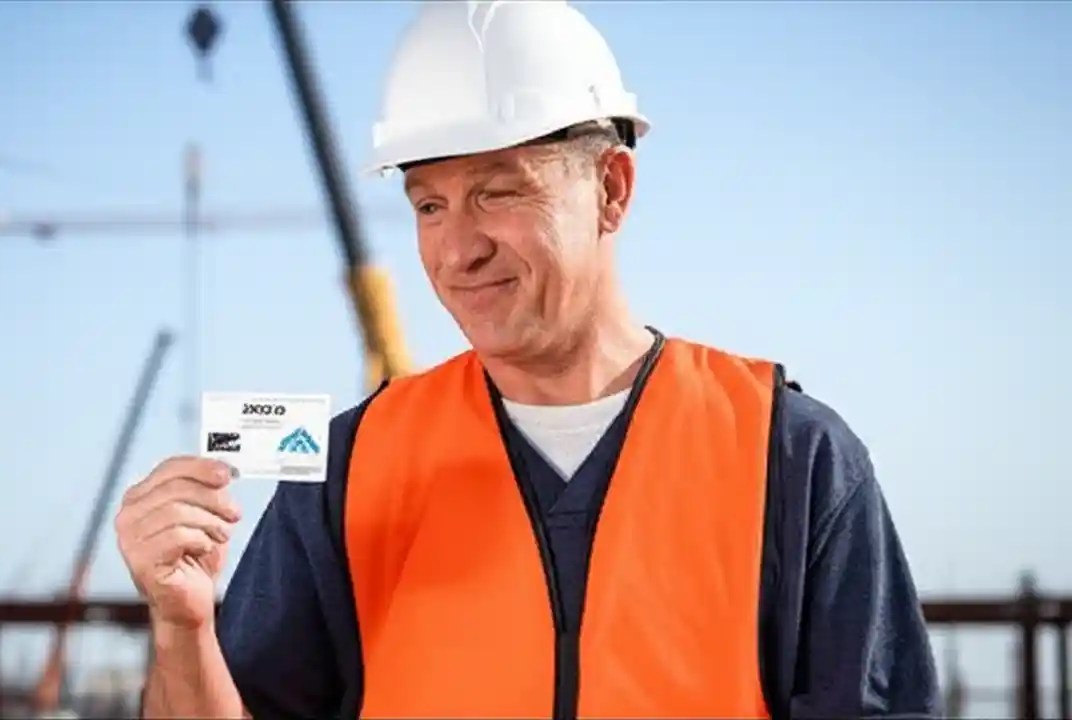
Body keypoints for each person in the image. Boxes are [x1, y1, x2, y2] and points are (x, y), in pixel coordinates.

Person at [116, 1, 943, 718]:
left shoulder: (789, 455)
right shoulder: (351, 467)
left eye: (499, 192)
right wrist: (183, 629)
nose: (457, 249)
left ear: (612, 190)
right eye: (429, 205)